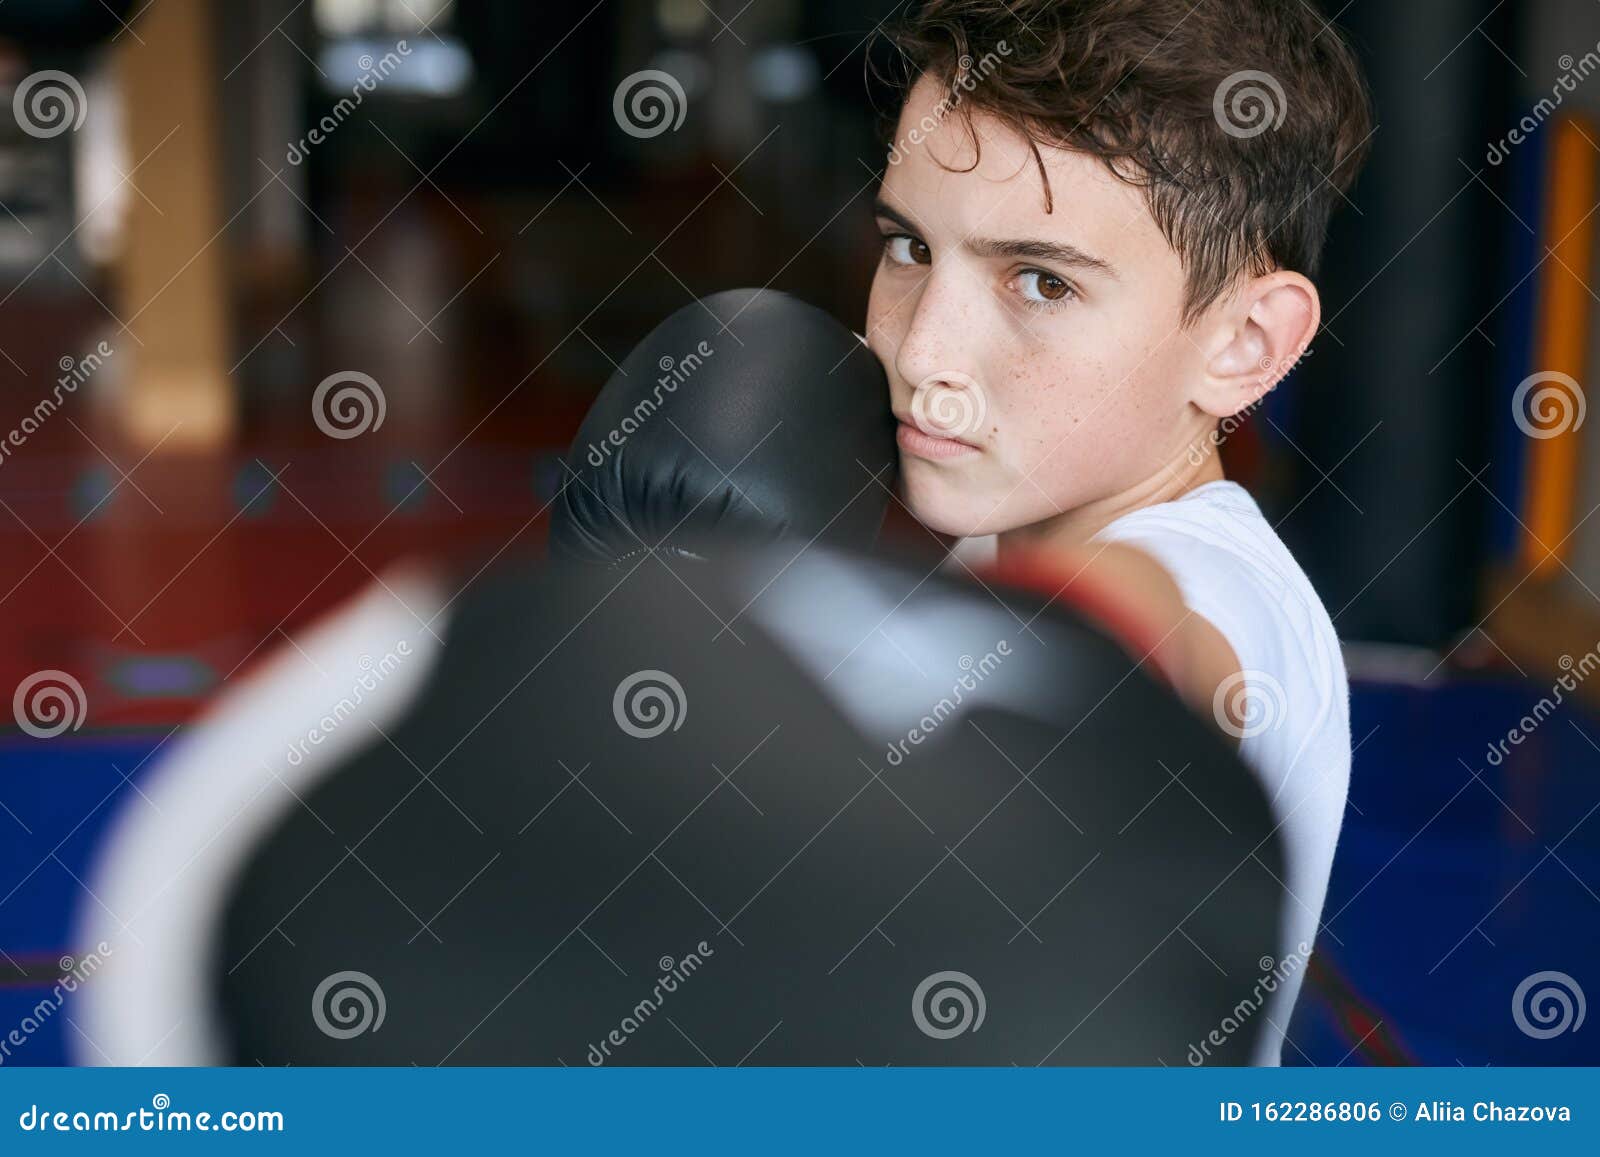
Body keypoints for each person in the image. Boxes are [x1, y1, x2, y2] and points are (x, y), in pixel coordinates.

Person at [868, 0, 1373, 1064]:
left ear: (1241, 344)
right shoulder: (1010, 515)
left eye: (1040, 281)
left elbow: (1135, 635)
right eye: (909, 245)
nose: (921, 352)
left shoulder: (1209, 589)